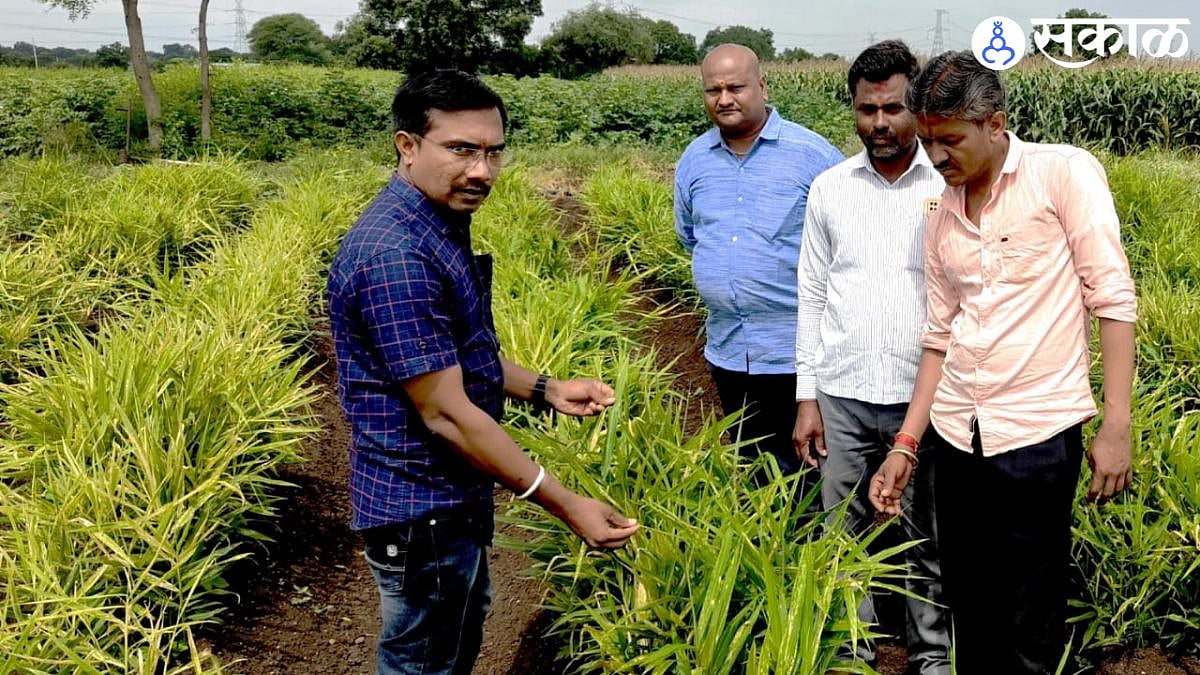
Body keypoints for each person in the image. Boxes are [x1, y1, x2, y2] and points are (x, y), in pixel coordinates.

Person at [327, 69, 639, 675]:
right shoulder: (397, 255)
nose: (482, 171)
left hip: (447, 503)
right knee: (424, 663)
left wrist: (546, 389)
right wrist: (565, 501)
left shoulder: (432, 224)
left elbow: (455, 355)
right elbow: (445, 412)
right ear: (407, 146)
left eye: (493, 152)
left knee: (453, 644)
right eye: (461, 149)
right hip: (422, 509)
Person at [868, 51, 1137, 674]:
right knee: (970, 603)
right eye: (927, 142)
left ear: (995, 124)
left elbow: (1113, 298)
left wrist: (1116, 423)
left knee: (1030, 614)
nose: (936, 159)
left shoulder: (1062, 174)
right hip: (956, 436)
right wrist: (907, 443)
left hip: (1036, 436)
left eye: (950, 141)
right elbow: (939, 337)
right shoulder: (939, 213)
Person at [792, 40, 949, 674]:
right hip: (844, 390)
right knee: (841, 531)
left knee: (925, 534)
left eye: (893, 108)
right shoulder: (830, 189)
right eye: (866, 110)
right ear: (853, 110)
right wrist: (808, 394)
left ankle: (930, 653)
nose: (880, 123)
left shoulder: (947, 183)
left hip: (925, 396)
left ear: (916, 107)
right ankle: (851, 649)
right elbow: (812, 292)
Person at [674, 43, 842, 485]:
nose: (724, 98)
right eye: (713, 89)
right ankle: (766, 547)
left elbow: (849, 243)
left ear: (762, 87)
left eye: (736, 87)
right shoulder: (694, 160)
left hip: (797, 354)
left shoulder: (813, 156)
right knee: (755, 468)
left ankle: (816, 551)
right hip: (728, 350)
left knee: (810, 468)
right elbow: (690, 234)